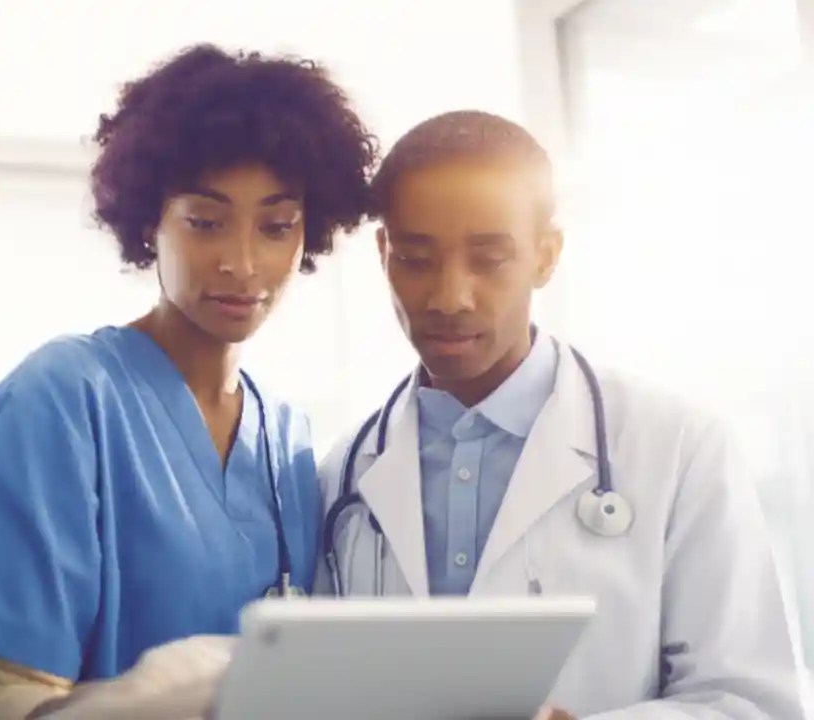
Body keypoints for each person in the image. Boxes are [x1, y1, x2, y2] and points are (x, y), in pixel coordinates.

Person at [315, 110, 808, 718]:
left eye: (489, 259)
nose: (449, 297)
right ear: (384, 253)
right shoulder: (343, 475)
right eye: (416, 260)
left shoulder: (677, 447)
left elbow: (752, 702)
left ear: (546, 256)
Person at [0, 44, 378, 719]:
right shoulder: (64, 397)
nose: (241, 262)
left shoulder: (287, 440)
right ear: (150, 220)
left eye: (276, 226)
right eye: (205, 222)